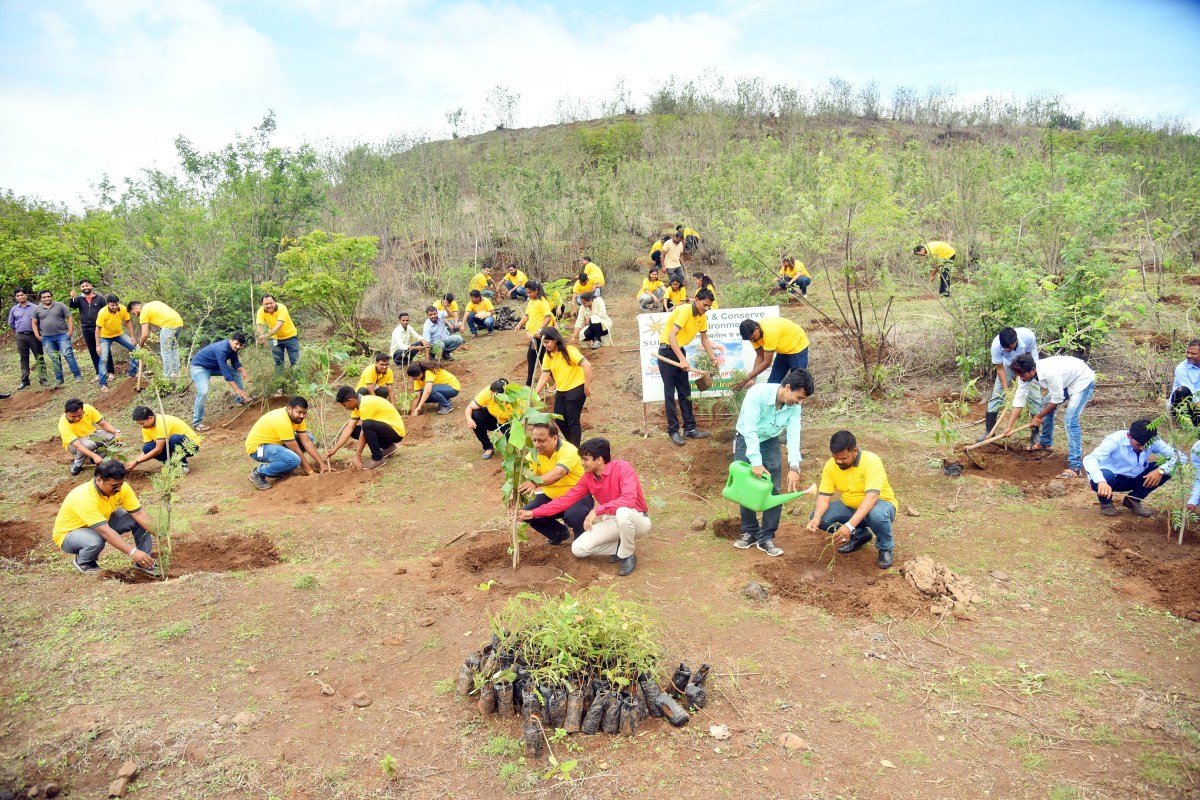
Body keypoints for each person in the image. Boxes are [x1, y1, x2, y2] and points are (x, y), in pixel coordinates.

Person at [519, 438, 650, 576]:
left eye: (585, 459)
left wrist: (596, 510)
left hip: (636, 518)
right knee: (578, 549)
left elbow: (629, 499)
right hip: (612, 520)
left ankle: (628, 555)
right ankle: (619, 547)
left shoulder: (623, 467)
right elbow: (566, 500)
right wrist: (533, 513)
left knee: (623, 512)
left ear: (599, 459)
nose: (582, 462)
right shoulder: (588, 477)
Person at [732, 369, 814, 557]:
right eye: (799, 397)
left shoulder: (794, 407)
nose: (800, 403)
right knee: (746, 487)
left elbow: (794, 433)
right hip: (746, 440)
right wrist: (755, 461)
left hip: (769, 442)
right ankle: (750, 532)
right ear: (788, 387)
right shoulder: (757, 394)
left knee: (773, 489)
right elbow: (750, 429)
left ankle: (766, 537)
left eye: (803, 400)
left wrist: (794, 466)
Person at [806, 430, 898, 569]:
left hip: (880, 505)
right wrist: (816, 517)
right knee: (820, 517)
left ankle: (885, 548)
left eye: (843, 458)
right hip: (850, 507)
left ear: (854, 451)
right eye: (835, 457)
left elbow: (872, 498)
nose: (838, 461)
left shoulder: (871, 461)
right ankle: (859, 535)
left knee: (877, 515)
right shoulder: (831, 465)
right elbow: (824, 496)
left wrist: (848, 526)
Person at [53, 459, 159, 575]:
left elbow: (139, 514)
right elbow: (104, 531)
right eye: (114, 486)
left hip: (100, 522)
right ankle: (84, 562)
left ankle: (144, 562)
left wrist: (163, 535)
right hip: (70, 534)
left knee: (138, 520)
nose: (118, 489)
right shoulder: (84, 497)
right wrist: (133, 552)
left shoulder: (122, 488)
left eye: (120, 484)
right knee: (95, 540)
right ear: (99, 480)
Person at [1001, 354, 1096, 478]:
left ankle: (1075, 467)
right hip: (1065, 380)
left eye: (1023, 375)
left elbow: (1056, 400)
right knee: (1045, 404)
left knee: (1070, 420)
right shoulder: (1024, 375)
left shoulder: (1050, 373)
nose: (1021, 378)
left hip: (1082, 381)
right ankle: (1045, 443)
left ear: (1033, 370)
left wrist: (1038, 417)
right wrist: (1009, 426)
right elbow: (1019, 399)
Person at [1083, 419, 1184, 518]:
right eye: (1138, 445)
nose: (1142, 448)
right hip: (1112, 480)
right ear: (1129, 436)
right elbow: (1090, 459)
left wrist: (1161, 470)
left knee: (1166, 468)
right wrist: (1101, 481)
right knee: (1106, 475)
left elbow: (1181, 457)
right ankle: (1106, 503)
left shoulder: (1153, 440)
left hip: (1137, 477)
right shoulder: (1115, 440)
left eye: (1146, 446)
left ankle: (1133, 499)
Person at [516, 422, 593, 545]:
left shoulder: (569, 450)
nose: (537, 444)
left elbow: (558, 472)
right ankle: (559, 533)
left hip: (577, 497)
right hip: (551, 496)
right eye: (534, 440)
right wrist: (513, 495)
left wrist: (535, 483)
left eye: (541, 440)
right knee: (527, 512)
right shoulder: (534, 454)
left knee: (574, 516)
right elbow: (523, 474)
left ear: (555, 438)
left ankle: (583, 541)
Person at [658, 289, 717, 446]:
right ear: (696, 300)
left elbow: (704, 339)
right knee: (670, 393)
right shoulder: (684, 311)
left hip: (679, 350)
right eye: (705, 305)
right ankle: (673, 430)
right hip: (667, 352)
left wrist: (713, 358)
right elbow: (671, 336)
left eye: (709, 306)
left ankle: (690, 428)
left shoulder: (702, 316)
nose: (706, 308)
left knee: (685, 392)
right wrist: (682, 359)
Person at [245, 396, 328, 490]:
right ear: (289, 409)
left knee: (309, 438)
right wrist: (310, 472)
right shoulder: (282, 420)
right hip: (258, 449)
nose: (302, 416)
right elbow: (296, 450)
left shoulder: (297, 418)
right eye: (299, 412)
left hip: (275, 444)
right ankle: (258, 473)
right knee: (294, 460)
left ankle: (280, 469)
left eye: (304, 413)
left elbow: (306, 441)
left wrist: (322, 464)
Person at [984, 327, 1043, 441]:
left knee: (1034, 396)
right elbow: (999, 368)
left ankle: (1035, 434)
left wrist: (1019, 380)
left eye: (1010, 348)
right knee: (997, 394)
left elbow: (1028, 360)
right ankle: (989, 431)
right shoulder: (996, 345)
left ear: (1016, 341)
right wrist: (1007, 391)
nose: (1007, 350)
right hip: (1007, 364)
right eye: (1004, 348)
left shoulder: (1028, 337)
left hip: (1028, 365)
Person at [325, 386, 405, 470]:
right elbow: (349, 428)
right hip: (385, 429)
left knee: (367, 425)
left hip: (395, 432)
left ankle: (378, 459)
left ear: (350, 400)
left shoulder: (365, 404)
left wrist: (357, 455)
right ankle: (388, 447)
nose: (345, 408)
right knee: (354, 430)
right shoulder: (357, 407)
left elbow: (364, 432)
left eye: (345, 405)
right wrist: (334, 449)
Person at [535, 328, 591, 447]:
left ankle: (574, 450)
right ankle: (572, 446)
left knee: (572, 421)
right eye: (543, 343)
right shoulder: (548, 356)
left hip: (576, 388)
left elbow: (587, 365)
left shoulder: (569, 350)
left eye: (547, 342)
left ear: (555, 340)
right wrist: (534, 395)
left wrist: (586, 387)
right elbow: (544, 376)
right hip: (561, 390)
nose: (545, 345)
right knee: (559, 419)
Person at [190, 333, 253, 432]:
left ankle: (240, 400)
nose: (238, 347)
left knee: (236, 372)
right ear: (231, 340)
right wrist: (237, 389)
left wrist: (243, 371)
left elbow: (235, 362)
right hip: (199, 367)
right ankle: (197, 422)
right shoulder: (222, 350)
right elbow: (225, 372)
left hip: (213, 366)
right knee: (203, 391)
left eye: (240, 345)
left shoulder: (233, 349)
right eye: (236, 343)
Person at [736, 317, 811, 388]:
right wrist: (752, 379)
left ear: (757, 328)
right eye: (749, 340)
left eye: (752, 338)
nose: (752, 341)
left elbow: (767, 363)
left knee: (796, 382)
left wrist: (746, 378)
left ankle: (796, 397)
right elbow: (760, 356)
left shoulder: (769, 332)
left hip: (797, 347)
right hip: (783, 351)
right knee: (772, 383)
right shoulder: (753, 337)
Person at [126, 406, 201, 474]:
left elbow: (158, 450)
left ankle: (182, 465)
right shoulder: (146, 428)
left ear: (150, 418)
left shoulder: (162, 423)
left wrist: (137, 462)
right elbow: (147, 450)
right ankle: (172, 464)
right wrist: (136, 461)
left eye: (142, 423)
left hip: (191, 447)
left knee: (174, 438)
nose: (142, 426)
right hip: (171, 446)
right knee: (147, 447)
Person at [59, 398, 120, 476]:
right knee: (89, 445)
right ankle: (77, 464)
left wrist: (116, 432)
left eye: (80, 415)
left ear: (83, 410)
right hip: (74, 445)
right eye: (73, 417)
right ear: (66, 412)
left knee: (114, 437)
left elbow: (103, 423)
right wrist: (94, 456)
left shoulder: (88, 408)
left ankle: (99, 459)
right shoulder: (63, 424)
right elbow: (78, 446)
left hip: (91, 434)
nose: (77, 419)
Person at [32, 289, 82, 385]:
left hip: (62, 335)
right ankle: (59, 379)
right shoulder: (37, 309)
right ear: (41, 299)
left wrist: (70, 331)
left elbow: (69, 317)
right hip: (47, 337)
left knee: (68, 354)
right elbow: (34, 322)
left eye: (48, 296)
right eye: (44, 297)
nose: (47, 298)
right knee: (55, 358)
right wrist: (37, 335)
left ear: (51, 297)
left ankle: (77, 376)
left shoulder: (60, 305)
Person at [69, 279, 113, 380]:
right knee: (93, 351)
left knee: (105, 349)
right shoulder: (79, 299)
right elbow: (72, 305)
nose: (85, 288)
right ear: (80, 288)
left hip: (100, 328)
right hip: (86, 328)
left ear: (91, 286)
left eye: (87, 285)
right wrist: (72, 297)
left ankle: (110, 371)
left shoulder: (100, 298)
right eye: (83, 286)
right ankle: (98, 373)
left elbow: (107, 311)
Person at [94, 295, 139, 394]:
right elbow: (98, 329)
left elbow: (128, 321)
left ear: (119, 303)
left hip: (119, 334)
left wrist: (132, 336)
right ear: (108, 304)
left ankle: (132, 373)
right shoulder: (102, 313)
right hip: (105, 337)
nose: (115, 307)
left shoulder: (122, 309)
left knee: (135, 348)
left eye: (116, 304)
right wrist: (97, 345)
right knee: (104, 358)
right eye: (112, 305)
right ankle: (103, 384)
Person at [128, 300, 184, 379]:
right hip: (179, 323)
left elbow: (145, 334)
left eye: (134, 313)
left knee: (165, 352)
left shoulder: (144, 311)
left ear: (135, 308)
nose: (136, 315)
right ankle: (177, 374)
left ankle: (168, 377)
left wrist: (140, 345)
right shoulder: (153, 303)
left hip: (168, 326)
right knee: (173, 349)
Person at [515, 281, 554, 386]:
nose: (528, 295)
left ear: (536, 291)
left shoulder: (542, 301)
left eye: (530, 292)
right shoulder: (531, 301)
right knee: (537, 357)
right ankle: (531, 383)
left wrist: (539, 330)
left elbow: (548, 317)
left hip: (540, 336)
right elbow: (527, 315)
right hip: (533, 335)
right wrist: (520, 324)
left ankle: (530, 383)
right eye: (527, 292)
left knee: (536, 357)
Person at [465, 378, 516, 459]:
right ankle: (488, 447)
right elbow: (470, 407)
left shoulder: (514, 399)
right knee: (476, 414)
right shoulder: (488, 392)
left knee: (513, 447)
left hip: (508, 423)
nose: (492, 396)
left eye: (495, 395)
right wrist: (469, 420)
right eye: (492, 393)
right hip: (493, 419)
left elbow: (521, 419)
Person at [8, 288, 48, 389]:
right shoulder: (14, 309)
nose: (20, 297)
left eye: (22, 295)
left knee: (39, 356)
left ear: (26, 295)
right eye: (18, 296)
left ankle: (43, 379)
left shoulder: (35, 307)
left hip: (34, 335)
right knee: (23, 358)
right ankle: (25, 380)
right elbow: (11, 323)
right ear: (16, 298)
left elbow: (41, 321)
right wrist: (19, 329)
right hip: (20, 336)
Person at [255, 294, 300, 374]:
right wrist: (261, 336)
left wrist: (265, 336)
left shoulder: (282, 308)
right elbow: (259, 326)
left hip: (290, 336)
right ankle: (280, 380)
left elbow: (278, 326)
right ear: (262, 304)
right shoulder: (261, 311)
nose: (269, 306)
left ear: (275, 302)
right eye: (266, 304)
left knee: (295, 361)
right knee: (278, 362)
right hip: (275, 339)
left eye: (271, 303)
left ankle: (299, 380)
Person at [1168, 339, 1200, 422]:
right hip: (1184, 403)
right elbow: (1192, 394)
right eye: (1188, 352)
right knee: (1183, 390)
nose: (1189, 356)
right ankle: (1184, 419)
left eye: (1193, 353)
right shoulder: (1181, 368)